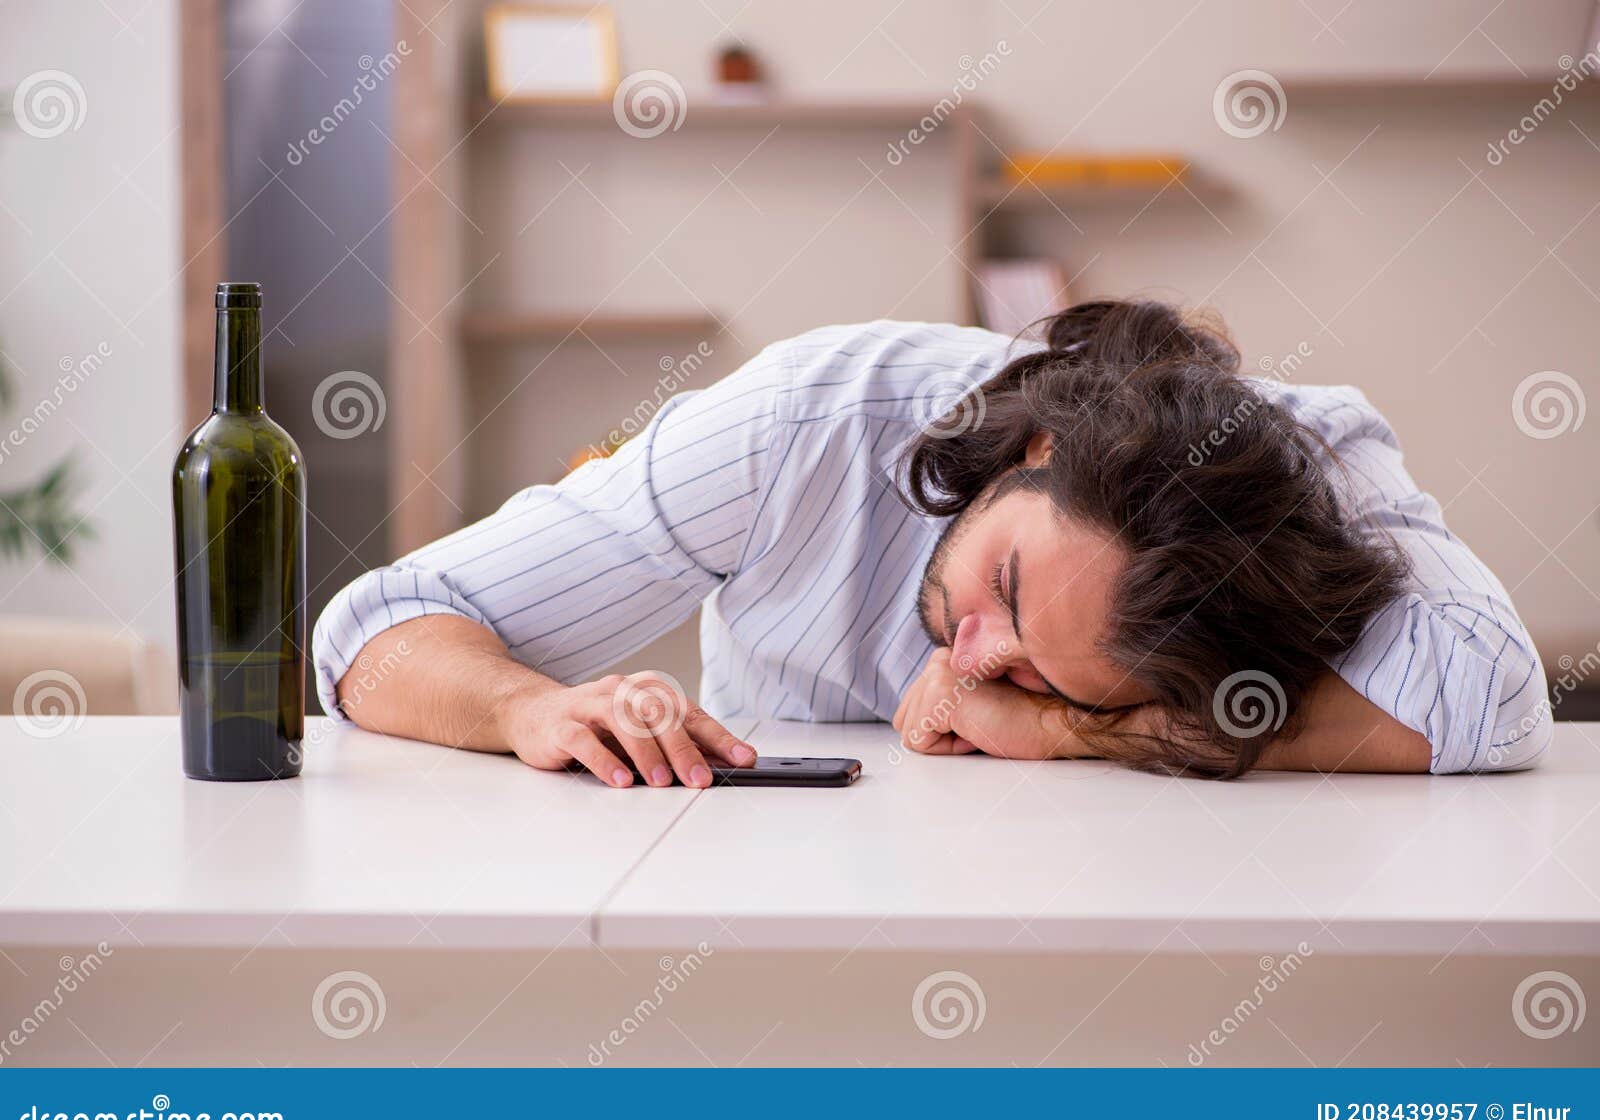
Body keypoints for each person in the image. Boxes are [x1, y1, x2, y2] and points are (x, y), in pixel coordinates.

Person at [312, 299, 1551, 786]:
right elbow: (372, 631)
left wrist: (1070, 729)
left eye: (1038, 667)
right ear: (1035, 452)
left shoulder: (1310, 471)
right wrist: (530, 707)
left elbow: (1489, 695)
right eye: (1004, 584)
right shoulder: (798, 424)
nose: (974, 650)